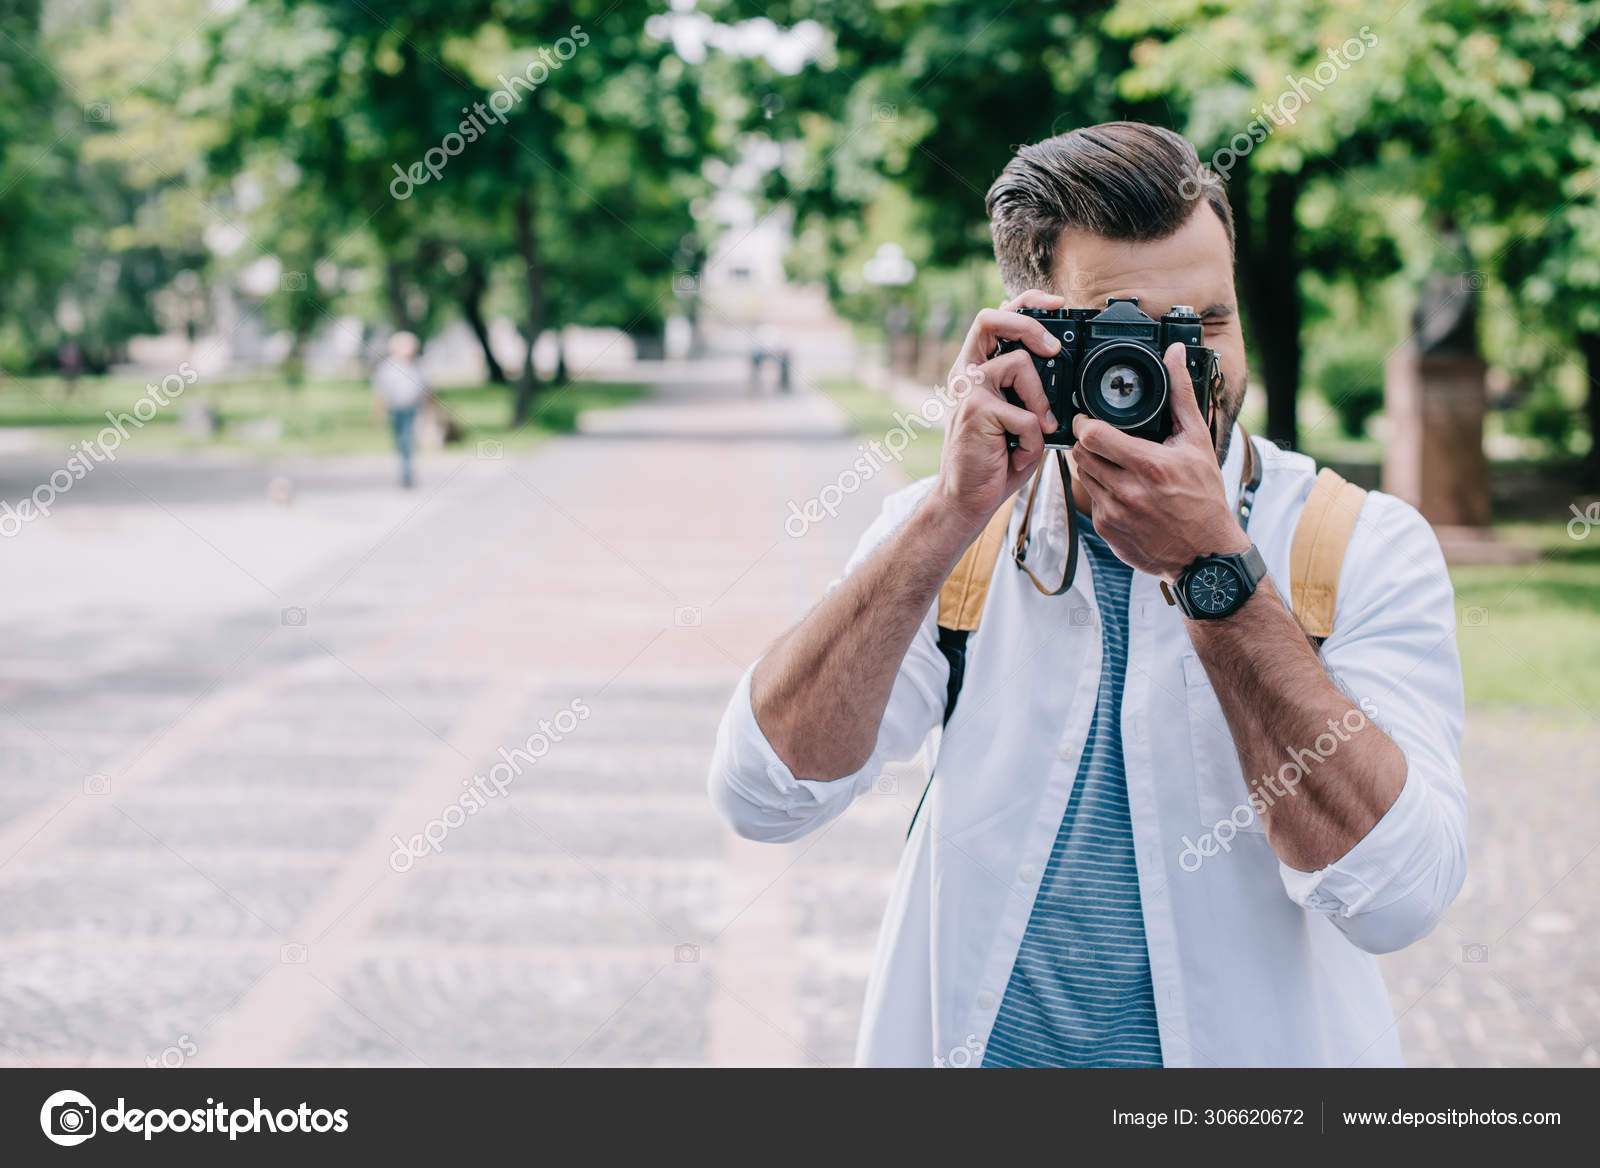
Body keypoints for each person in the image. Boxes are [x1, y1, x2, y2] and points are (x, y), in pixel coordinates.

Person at [707, 122, 1466, 1067]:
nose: (1180, 366)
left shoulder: (1359, 546)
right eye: (1132, 331)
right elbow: (763, 795)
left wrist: (1214, 573)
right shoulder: (956, 532)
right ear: (1033, 328)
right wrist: (947, 513)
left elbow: (1399, 896)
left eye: (1209, 324)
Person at [372, 331, 429, 488]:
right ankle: (406, 470)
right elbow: (382, 392)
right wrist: (379, 413)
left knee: (408, 440)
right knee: (401, 441)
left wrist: (430, 409)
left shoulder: (418, 364)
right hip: (396, 409)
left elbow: (427, 389)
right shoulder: (388, 366)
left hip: (413, 409)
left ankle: (407, 472)